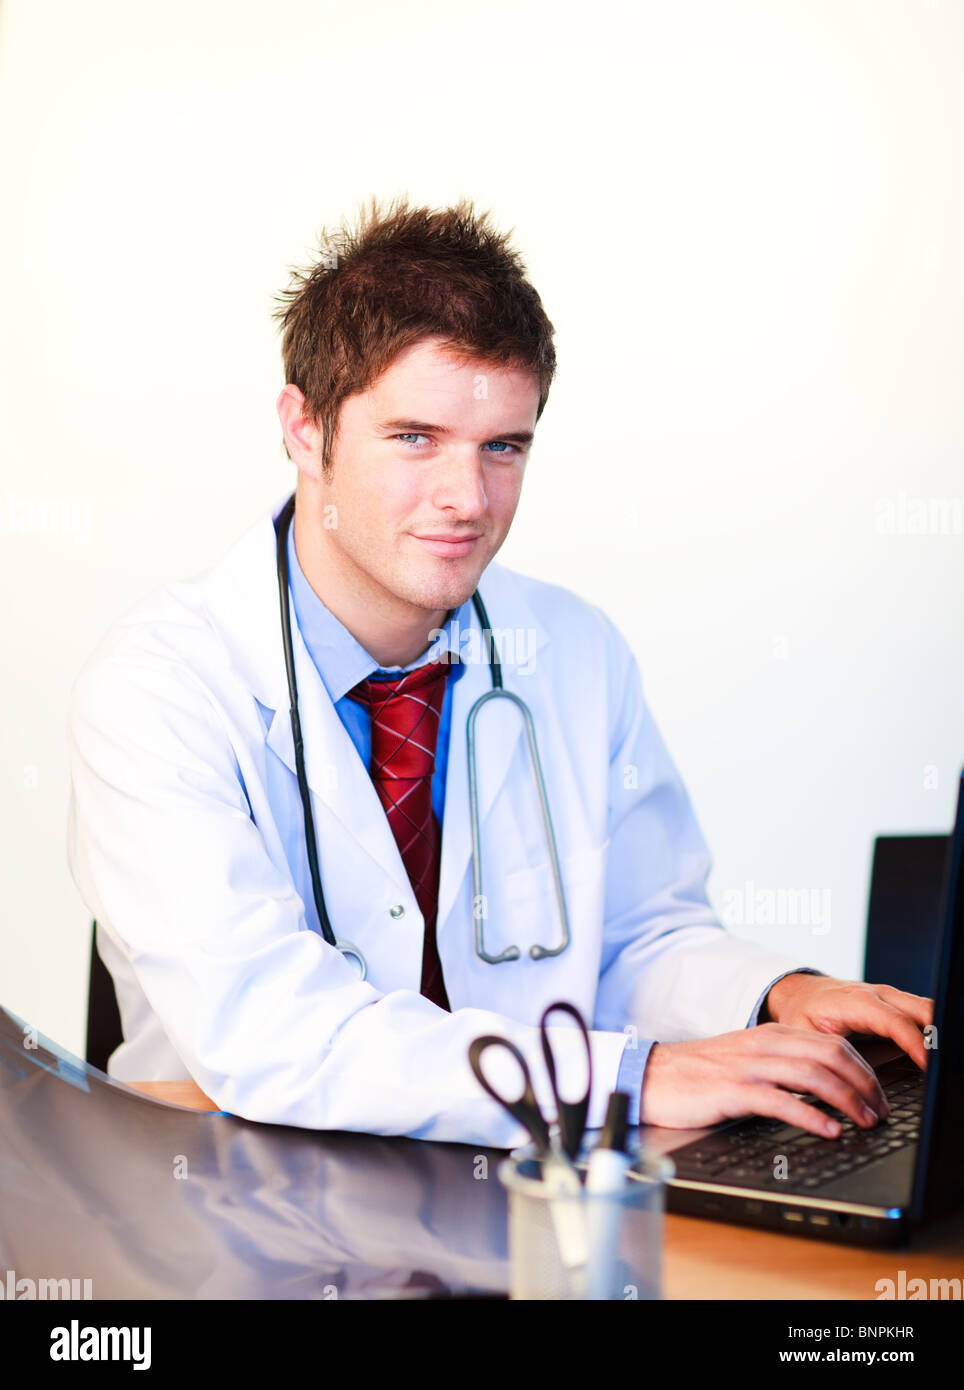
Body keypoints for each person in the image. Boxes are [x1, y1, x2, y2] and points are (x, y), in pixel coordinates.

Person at [66, 196, 932, 1147]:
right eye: (414, 438)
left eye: (502, 448)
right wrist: (635, 1076)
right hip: (232, 1209)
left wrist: (772, 994)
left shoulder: (573, 649)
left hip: (513, 1190)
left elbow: (635, 939)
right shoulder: (159, 686)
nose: (465, 499)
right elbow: (270, 1033)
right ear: (305, 429)